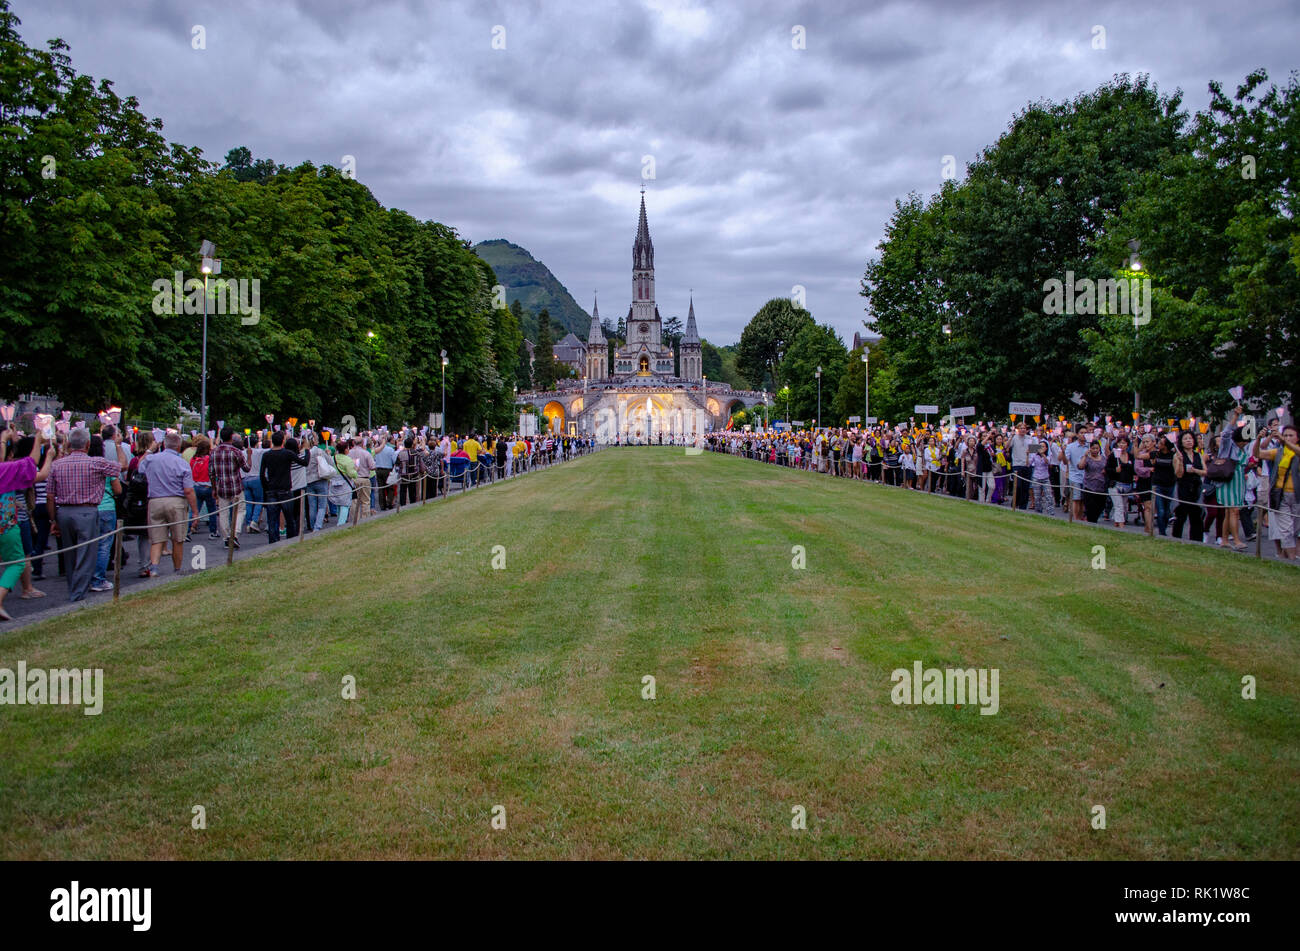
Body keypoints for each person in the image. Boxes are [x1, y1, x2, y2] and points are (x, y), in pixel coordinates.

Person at [46, 427, 124, 599]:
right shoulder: (96, 463)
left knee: (70, 553)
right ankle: (78, 594)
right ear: (87, 444)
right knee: (86, 554)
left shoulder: (57, 465)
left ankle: (74, 588)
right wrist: (118, 446)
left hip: (64, 511)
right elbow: (122, 466)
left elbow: (50, 496)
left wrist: (53, 519)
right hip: (86, 511)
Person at [0, 431, 46, 619]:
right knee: (17, 562)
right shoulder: (6, 472)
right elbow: (31, 464)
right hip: (5, 525)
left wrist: (4, 440)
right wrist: (40, 442)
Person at [1253, 422, 1299, 560]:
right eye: (1285, 435)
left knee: (1295, 531)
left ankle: (1288, 556)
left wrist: (1284, 441)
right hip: (1281, 495)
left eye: (1291, 435)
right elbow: (1258, 453)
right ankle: (1291, 561)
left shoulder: (1297, 451)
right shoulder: (1278, 452)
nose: (1287, 437)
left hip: (1297, 496)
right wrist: (1258, 439)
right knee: (1286, 531)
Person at [258, 430, 309, 543]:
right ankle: (290, 541)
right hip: (285, 489)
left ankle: (273, 541)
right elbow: (304, 462)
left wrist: (266, 487)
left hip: (272, 489)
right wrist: (307, 451)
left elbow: (262, 474)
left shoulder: (266, 455)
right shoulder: (287, 453)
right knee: (289, 518)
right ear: (282, 441)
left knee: (272, 519)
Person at [211, 428, 250, 548]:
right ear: (231, 437)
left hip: (221, 486)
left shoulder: (214, 452)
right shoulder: (236, 451)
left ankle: (226, 536)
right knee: (241, 510)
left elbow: (211, 473)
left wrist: (214, 488)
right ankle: (235, 533)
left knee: (223, 512)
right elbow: (246, 468)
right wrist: (249, 456)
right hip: (235, 485)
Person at [1171, 430, 1205, 542]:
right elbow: (1178, 474)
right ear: (1181, 441)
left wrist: (1195, 470)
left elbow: (1205, 471)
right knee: (1181, 515)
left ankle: (1197, 541)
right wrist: (1180, 462)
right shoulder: (1177, 455)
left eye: (1190, 438)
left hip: (1196, 487)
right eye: (1185, 439)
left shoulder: (1198, 455)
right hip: (1183, 487)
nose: (1188, 441)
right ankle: (1176, 539)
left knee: (1197, 516)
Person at [1105, 436, 1135, 528]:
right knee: (1119, 505)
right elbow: (1107, 469)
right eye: (1120, 443)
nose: (1122, 445)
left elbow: (1133, 470)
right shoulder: (1113, 456)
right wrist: (1115, 470)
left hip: (1127, 484)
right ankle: (1121, 525)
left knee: (1124, 506)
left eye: (1124, 443)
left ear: (1127, 445)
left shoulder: (1130, 456)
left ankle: (1117, 522)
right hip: (1115, 484)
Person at [1078, 439, 1108, 522]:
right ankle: (1091, 522)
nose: (1095, 450)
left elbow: (1107, 467)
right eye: (1093, 448)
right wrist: (1085, 456)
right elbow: (1080, 466)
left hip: (1101, 487)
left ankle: (1094, 520)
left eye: (1097, 448)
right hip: (1089, 487)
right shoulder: (1087, 458)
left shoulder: (1103, 458)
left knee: (1100, 506)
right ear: (1090, 449)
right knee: (1091, 508)